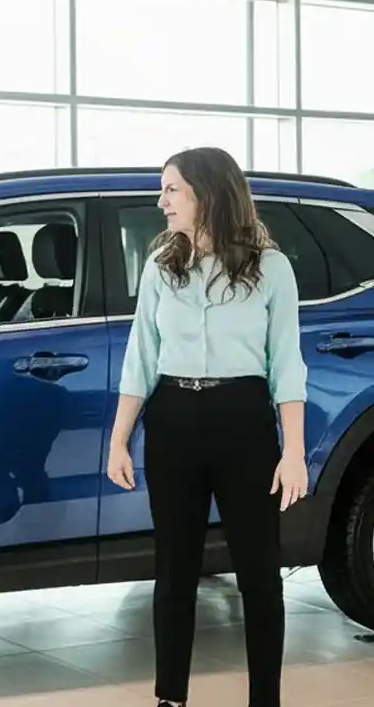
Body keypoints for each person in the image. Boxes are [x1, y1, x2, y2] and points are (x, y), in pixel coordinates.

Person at [106, 146, 309, 707]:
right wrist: (119, 438)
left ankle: (264, 699)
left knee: (259, 576)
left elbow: (287, 365)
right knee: (173, 573)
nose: (161, 201)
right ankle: (169, 698)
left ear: (207, 193)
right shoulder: (159, 267)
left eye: (171, 190)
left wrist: (293, 451)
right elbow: (139, 358)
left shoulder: (272, 269)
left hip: (243, 422)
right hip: (172, 420)